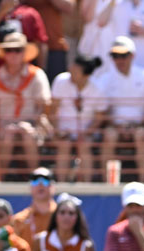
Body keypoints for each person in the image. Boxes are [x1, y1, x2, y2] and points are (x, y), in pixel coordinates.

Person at [0, 32, 52, 181]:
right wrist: (0, 125)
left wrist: (30, 123)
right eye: (9, 50)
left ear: (24, 53)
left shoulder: (36, 74)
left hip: (32, 125)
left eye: (17, 50)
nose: (13, 54)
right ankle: (0, 179)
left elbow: (44, 105)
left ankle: (35, 178)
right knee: (8, 134)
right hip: (1, 126)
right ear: (4, 54)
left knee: (26, 132)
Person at [94, 36, 144, 183]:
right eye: (115, 56)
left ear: (132, 56)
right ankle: (110, 183)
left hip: (142, 126)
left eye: (123, 55)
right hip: (114, 126)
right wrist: (118, 126)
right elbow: (103, 111)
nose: (120, 60)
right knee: (109, 136)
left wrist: (136, 126)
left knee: (141, 136)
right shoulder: (104, 79)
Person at [49, 54, 106, 183]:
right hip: (63, 130)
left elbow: (99, 117)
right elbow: (53, 109)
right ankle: (61, 183)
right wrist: (58, 130)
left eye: (75, 70)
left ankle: (87, 184)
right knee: (64, 145)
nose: (70, 71)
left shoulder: (98, 88)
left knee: (84, 146)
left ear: (86, 75)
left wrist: (87, 133)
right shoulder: (61, 81)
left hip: (87, 132)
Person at [11, 166, 56, 251]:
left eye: (46, 180)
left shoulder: (63, 216)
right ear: (30, 187)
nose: (40, 184)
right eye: (35, 180)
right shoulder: (18, 220)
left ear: (53, 186)